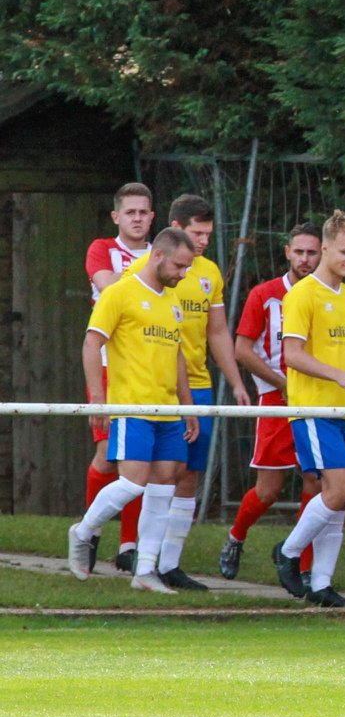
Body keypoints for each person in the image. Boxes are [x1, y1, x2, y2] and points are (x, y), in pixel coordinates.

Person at [121, 195, 252, 590]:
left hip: (198, 384)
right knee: (163, 470)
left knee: (190, 473)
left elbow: (217, 331)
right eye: (196, 234)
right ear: (176, 228)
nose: (202, 243)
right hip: (159, 385)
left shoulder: (209, 273)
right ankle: (145, 558)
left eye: (208, 235)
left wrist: (235, 381)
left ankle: (171, 563)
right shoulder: (151, 272)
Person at [67, 226, 198, 593]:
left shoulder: (172, 302)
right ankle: (84, 529)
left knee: (164, 485)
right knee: (132, 483)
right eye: (179, 265)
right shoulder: (120, 293)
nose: (182, 274)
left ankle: (145, 571)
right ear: (158, 255)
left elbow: (177, 357)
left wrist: (188, 407)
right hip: (132, 405)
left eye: (187, 268)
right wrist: (98, 398)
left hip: (168, 410)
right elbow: (92, 343)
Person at [270, 210, 345, 609]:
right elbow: (292, 355)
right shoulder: (302, 294)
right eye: (344, 252)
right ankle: (287, 551)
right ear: (324, 247)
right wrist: (338, 377)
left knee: (338, 500)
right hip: (313, 409)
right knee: (342, 489)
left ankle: (321, 584)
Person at [220, 222, 323, 582]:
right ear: (288, 253)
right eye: (300, 252)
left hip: (317, 404)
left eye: (313, 252)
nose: (306, 259)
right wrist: (282, 382)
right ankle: (236, 537)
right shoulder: (265, 295)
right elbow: (241, 349)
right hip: (277, 403)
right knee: (267, 491)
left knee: (317, 484)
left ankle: (301, 564)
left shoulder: (330, 295)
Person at [82, 182, 154, 571]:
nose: (138, 218)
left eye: (144, 212)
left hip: (149, 370)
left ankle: (129, 545)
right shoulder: (102, 249)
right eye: (131, 212)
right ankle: (90, 531)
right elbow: (108, 286)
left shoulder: (161, 253)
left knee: (138, 459)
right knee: (107, 458)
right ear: (117, 216)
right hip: (110, 367)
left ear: (153, 216)